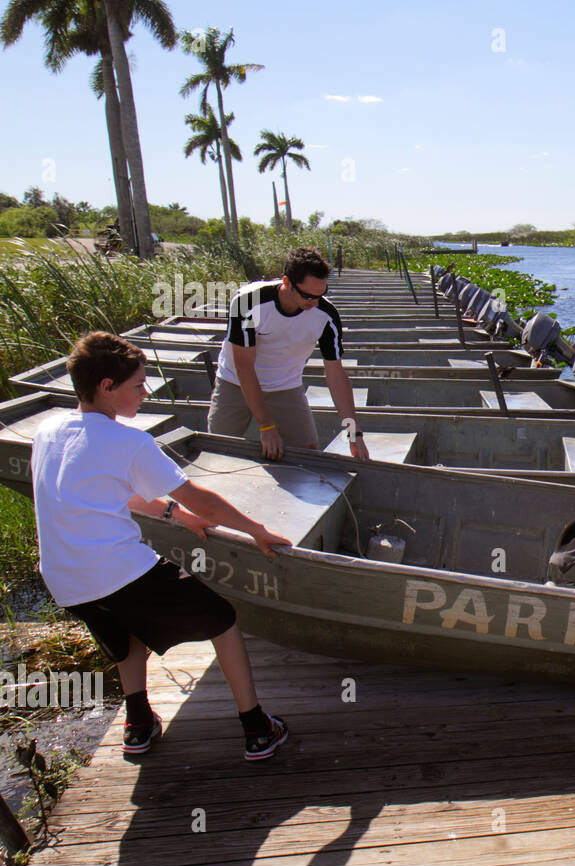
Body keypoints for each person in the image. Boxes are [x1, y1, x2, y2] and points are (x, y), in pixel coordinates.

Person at [32, 332, 294, 760]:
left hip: (65, 582)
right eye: (137, 384)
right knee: (224, 621)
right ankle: (257, 728)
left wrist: (173, 515)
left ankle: (138, 726)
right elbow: (202, 500)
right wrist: (255, 529)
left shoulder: (50, 430)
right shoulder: (131, 442)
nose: (145, 391)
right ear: (107, 387)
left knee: (124, 633)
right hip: (116, 572)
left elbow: (115, 492)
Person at [208, 246, 370, 462]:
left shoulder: (326, 316)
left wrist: (354, 433)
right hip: (235, 382)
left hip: (285, 386)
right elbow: (244, 366)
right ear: (286, 282)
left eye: (320, 294)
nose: (314, 303)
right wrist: (266, 426)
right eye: (307, 296)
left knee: (307, 453)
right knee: (217, 451)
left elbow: (336, 376)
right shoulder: (247, 303)